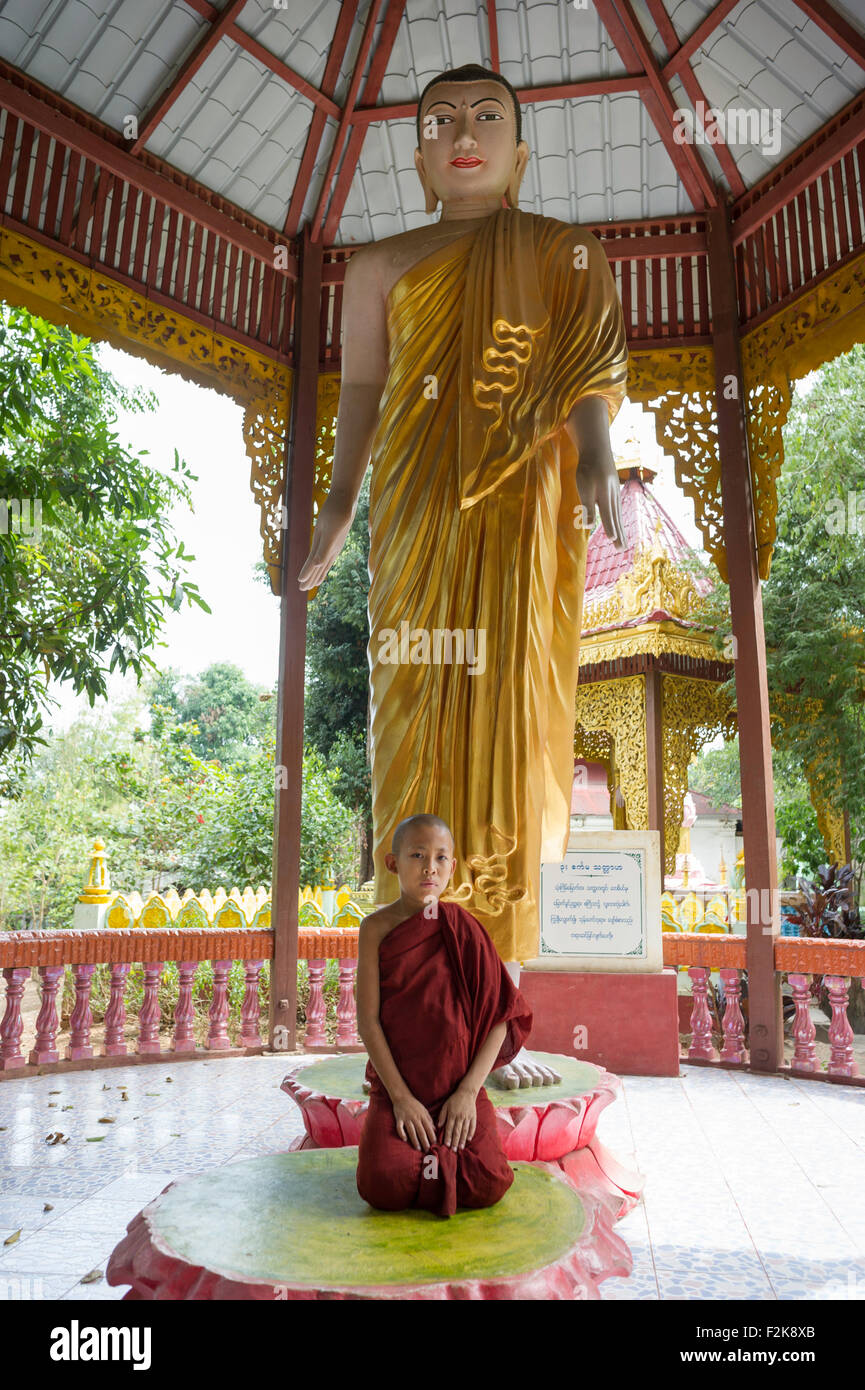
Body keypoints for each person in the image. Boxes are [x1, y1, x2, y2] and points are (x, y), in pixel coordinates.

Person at [299, 63, 628, 1083]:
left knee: (515, 722)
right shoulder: (379, 262)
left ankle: (493, 995)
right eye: (440, 121)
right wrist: (339, 504)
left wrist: (595, 453)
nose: (464, 133)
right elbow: (361, 389)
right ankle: (410, 999)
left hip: (515, 514)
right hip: (411, 511)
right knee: (411, 717)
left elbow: (582, 370)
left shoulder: (558, 252)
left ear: (520, 152)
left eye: (488, 118)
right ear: (418, 152)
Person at [355, 813, 532, 1218]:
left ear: (453, 867)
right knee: (381, 1183)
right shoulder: (376, 930)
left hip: (457, 1089)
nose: (429, 867)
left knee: (490, 1180)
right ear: (393, 862)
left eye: (440, 857)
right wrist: (401, 1100)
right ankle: (436, 1160)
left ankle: (434, 1161)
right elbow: (369, 1022)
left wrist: (469, 1093)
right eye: (417, 855)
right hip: (401, 1089)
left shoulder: (463, 929)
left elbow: (501, 1015)